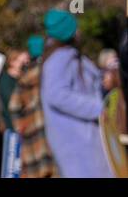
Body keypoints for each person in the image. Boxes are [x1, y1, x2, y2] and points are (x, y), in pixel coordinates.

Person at [40, 9, 114, 177]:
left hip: (83, 135)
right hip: (77, 139)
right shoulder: (59, 59)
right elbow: (57, 94)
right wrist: (97, 108)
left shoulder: (68, 55)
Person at [11, 33, 59, 178]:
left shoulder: (24, 79)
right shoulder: (51, 72)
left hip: (33, 135)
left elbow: (13, 107)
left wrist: (21, 125)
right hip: (53, 131)